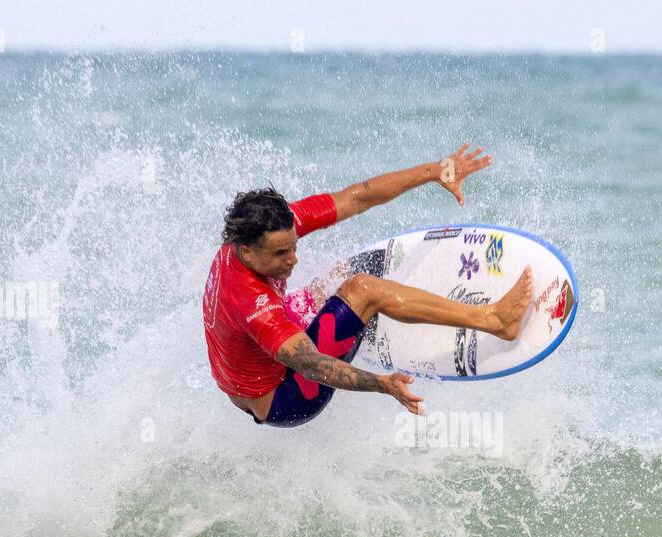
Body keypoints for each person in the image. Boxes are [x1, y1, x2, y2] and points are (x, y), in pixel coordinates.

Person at [202, 144, 532, 427]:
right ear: (246, 251)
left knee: (338, 274)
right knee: (362, 288)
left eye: (293, 247)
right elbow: (310, 364)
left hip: (248, 374)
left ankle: (365, 318)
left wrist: (437, 171)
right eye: (280, 254)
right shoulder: (251, 301)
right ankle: (495, 321)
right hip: (284, 398)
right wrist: (381, 384)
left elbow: (359, 196)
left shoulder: (257, 233)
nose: (293, 260)